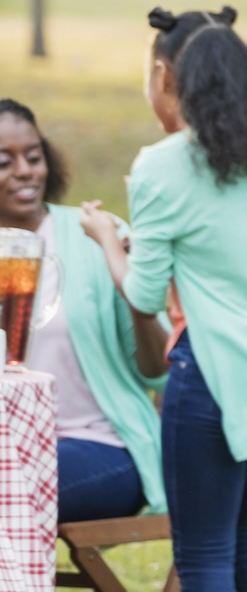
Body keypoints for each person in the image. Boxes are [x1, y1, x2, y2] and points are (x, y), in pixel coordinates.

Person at [82, 6, 247, 591]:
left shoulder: (161, 166)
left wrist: (108, 240)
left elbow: (142, 294)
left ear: (165, 75)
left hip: (212, 373)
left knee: (203, 554)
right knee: (241, 538)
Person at [0, 99, 167, 523]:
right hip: (9, 448)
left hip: (100, 445)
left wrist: (135, 295)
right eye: (5, 161)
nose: (25, 171)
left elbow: (159, 370)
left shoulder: (99, 239)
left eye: (34, 157)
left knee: (10, 489)